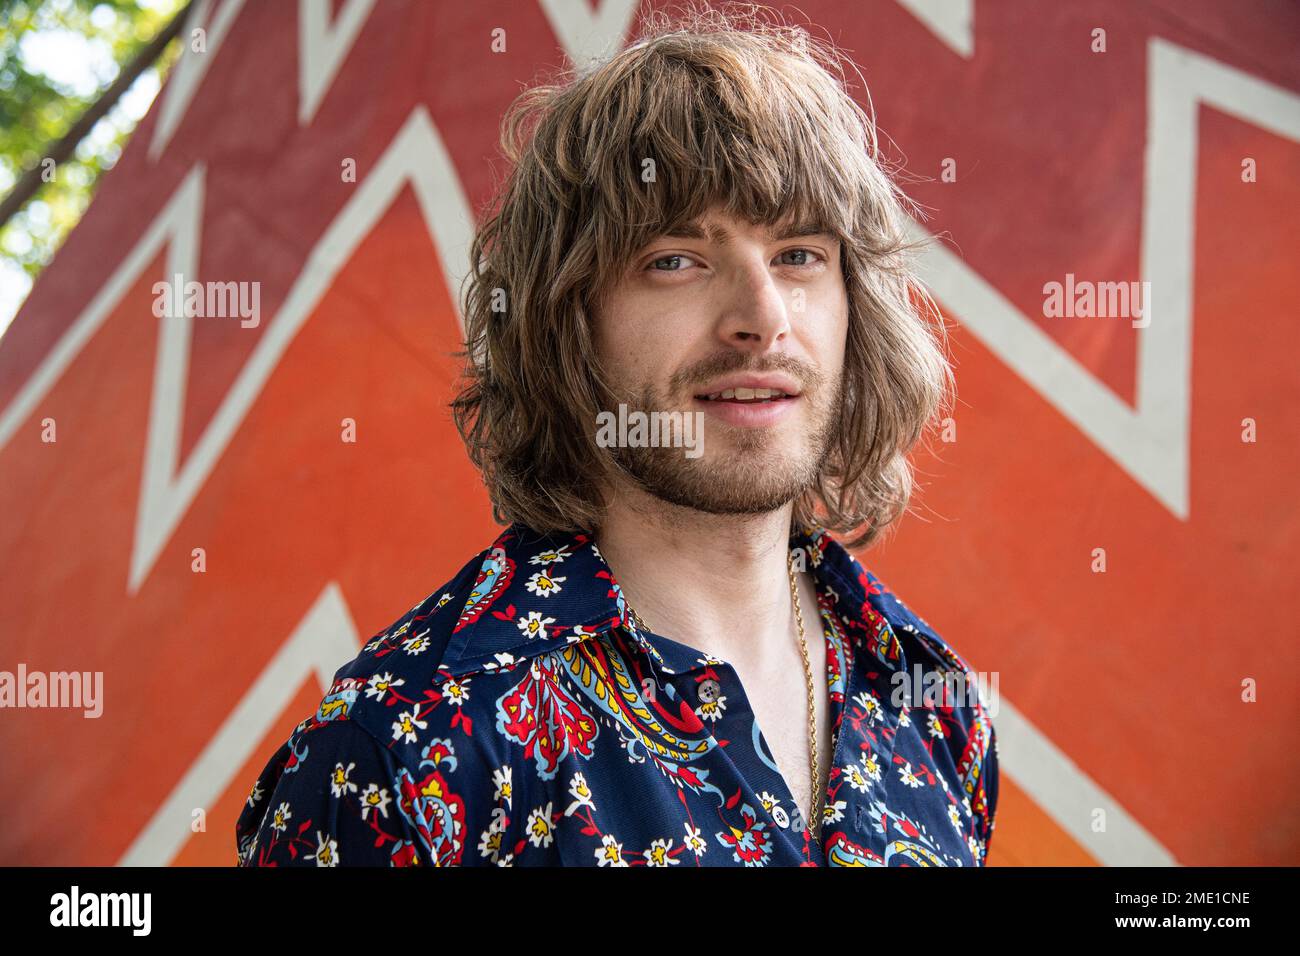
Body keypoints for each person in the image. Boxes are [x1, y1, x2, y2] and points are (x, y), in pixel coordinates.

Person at [234, 2, 998, 868]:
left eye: (799, 255)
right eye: (677, 260)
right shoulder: (405, 751)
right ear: (566, 324)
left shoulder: (933, 703)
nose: (762, 318)